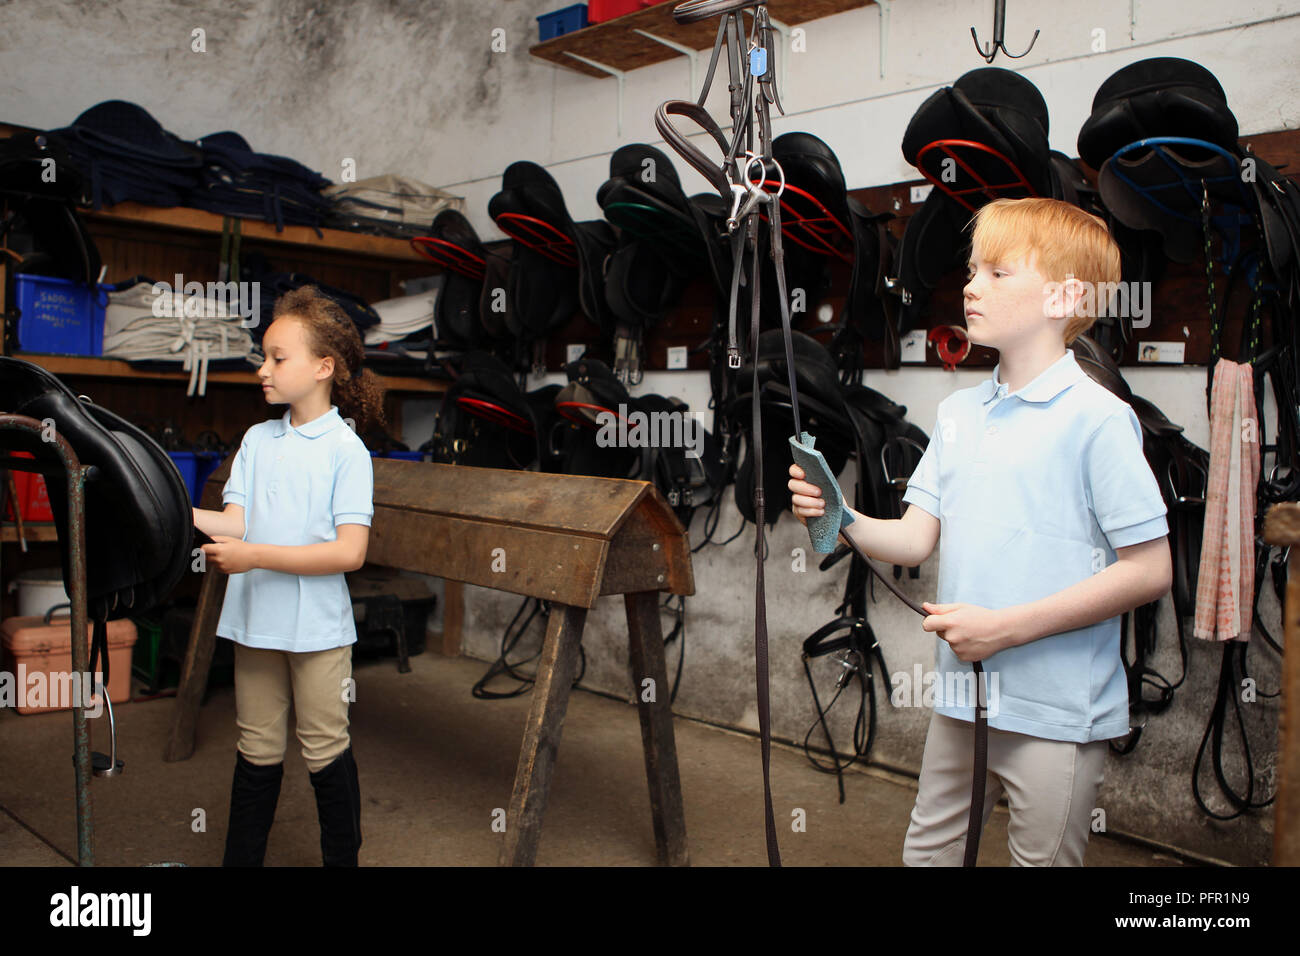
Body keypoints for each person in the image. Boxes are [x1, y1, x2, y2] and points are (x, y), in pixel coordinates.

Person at [789, 197, 1172, 865]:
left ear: (1066, 296)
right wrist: (840, 519)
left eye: (998, 273)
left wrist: (1007, 629)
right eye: (972, 271)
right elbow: (914, 539)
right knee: (928, 857)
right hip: (966, 699)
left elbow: (1149, 570)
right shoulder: (961, 412)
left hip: (1056, 716)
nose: (971, 286)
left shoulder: (1099, 420)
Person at [193, 284, 386, 866]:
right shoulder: (257, 438)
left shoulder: (345, 452)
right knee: (255, 749)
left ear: (324, 367)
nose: (263, 369)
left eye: (278, 358)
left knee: (325, 749)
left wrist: (255, 557)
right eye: (264, 356)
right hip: (256, 622)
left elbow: (349, 552)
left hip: (318, 632)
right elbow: (235, 522)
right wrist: (165, 511)